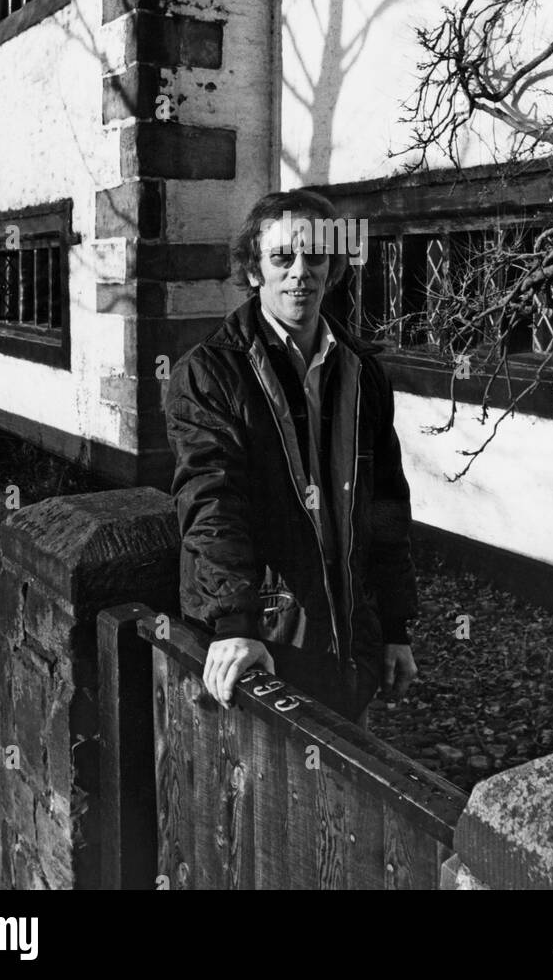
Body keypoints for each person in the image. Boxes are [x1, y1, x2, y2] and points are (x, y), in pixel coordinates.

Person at [162, 188, 418, 723]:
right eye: (282, 257)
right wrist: (234, 625)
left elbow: (387, 505)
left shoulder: (363, 372)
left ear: (334, 267)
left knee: (349, 794)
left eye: (315, 257)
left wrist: (395, 629)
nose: (300, 272)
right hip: (266, 647)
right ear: (254, 270)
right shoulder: (209, 374)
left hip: (352, 646)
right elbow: (211, 501)